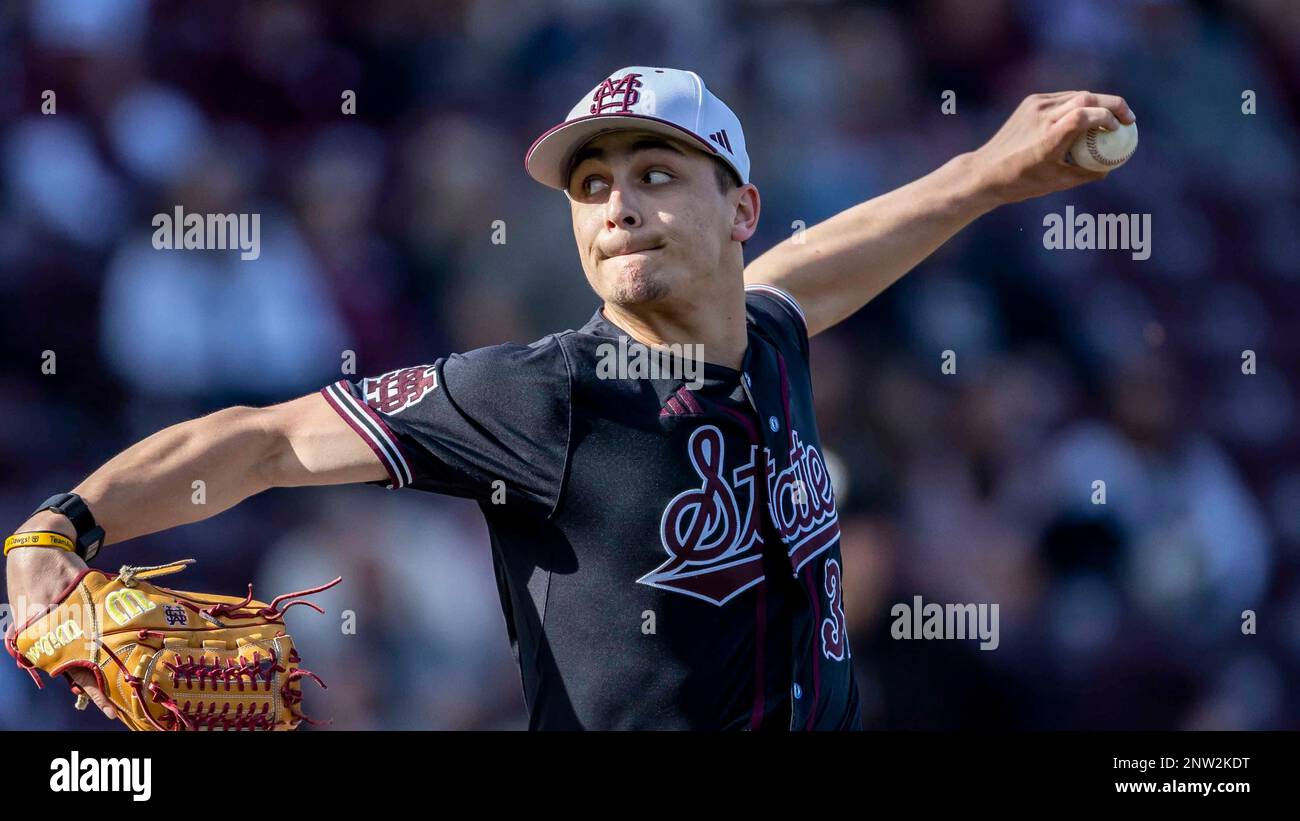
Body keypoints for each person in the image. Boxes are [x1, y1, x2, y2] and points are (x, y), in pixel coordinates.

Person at [5, 66, 1133, 730]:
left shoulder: (769, 337)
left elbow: (830, 257)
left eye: (655, 174)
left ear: (740, 213)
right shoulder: (539, 392)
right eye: (591, 185)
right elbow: (266, 441)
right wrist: (65, 521)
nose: (617, 204)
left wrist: (991, 173)